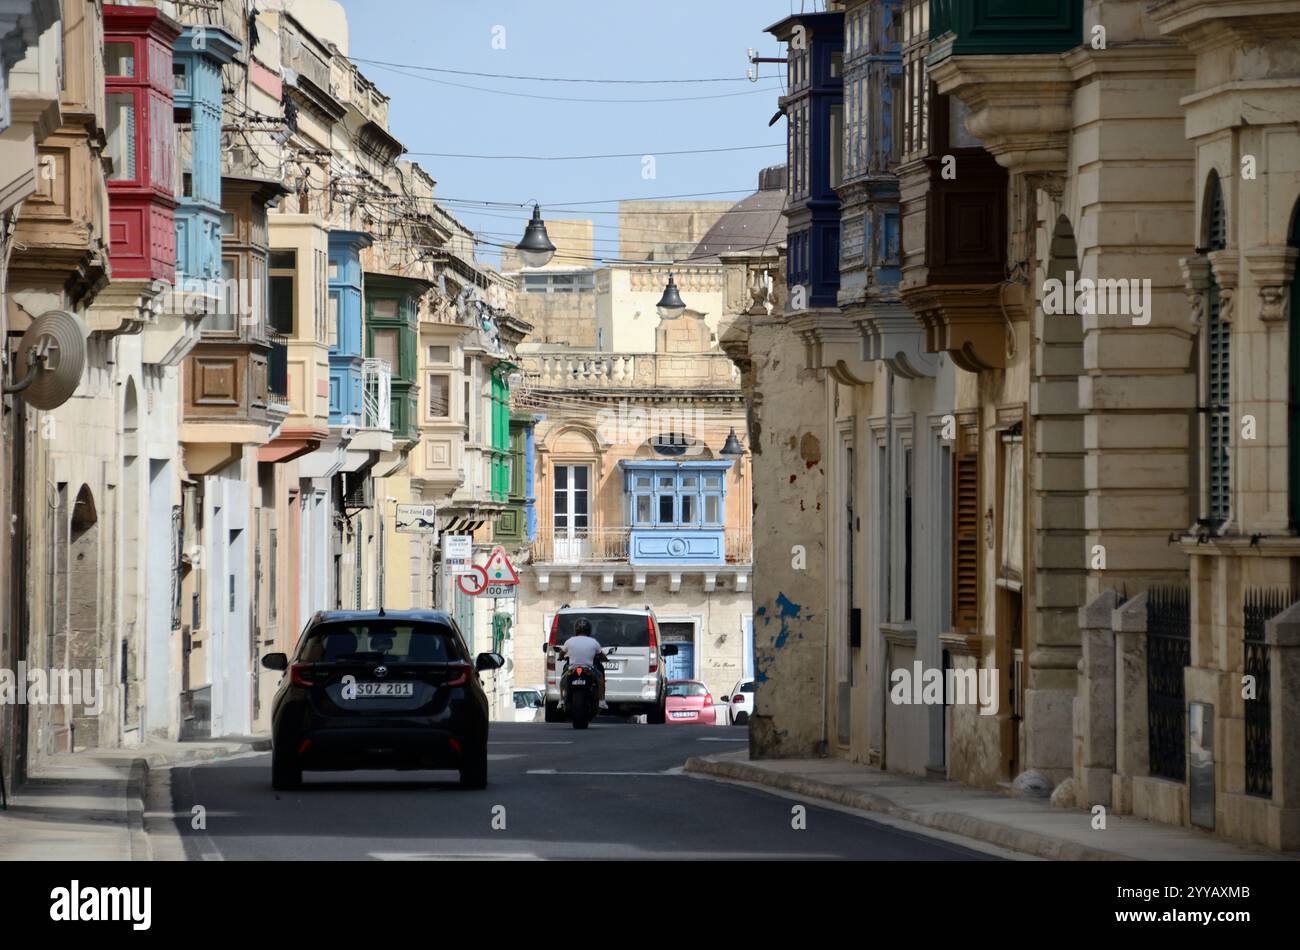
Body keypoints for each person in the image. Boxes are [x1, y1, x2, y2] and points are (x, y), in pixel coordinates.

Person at [560, 618, 607, 706]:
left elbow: (562, 652)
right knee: (600, 678)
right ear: (589, 630)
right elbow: (601, 655)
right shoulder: (594, 642)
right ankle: (602, 701)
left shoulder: (569, 641)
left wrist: (561, 657)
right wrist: (605, 659)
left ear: (576, 630)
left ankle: (561, 700)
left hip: (572, 668)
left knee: (563, 678)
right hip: (589, 668)